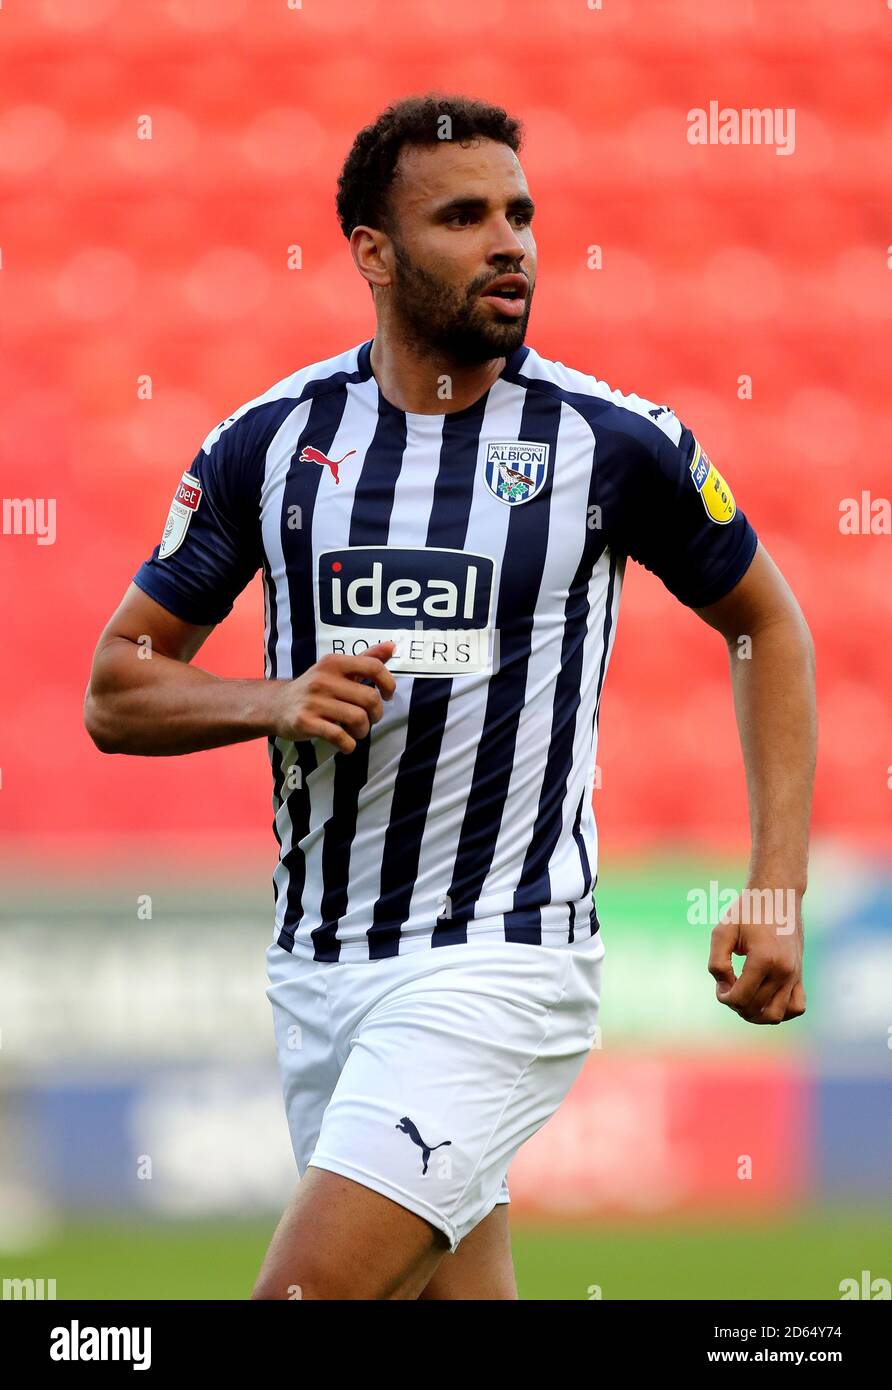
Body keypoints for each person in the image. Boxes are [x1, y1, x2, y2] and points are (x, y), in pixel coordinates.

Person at [84, 94, 816, 1300]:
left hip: (502, 958)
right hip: (318, 968)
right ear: (372, 252)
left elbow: (767, 625)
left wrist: (773, 884)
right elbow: (119, 688)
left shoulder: (613, 442)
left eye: (520, 214)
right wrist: (271, 700)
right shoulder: (269, 445)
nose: (510, 242)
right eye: (464, 216)